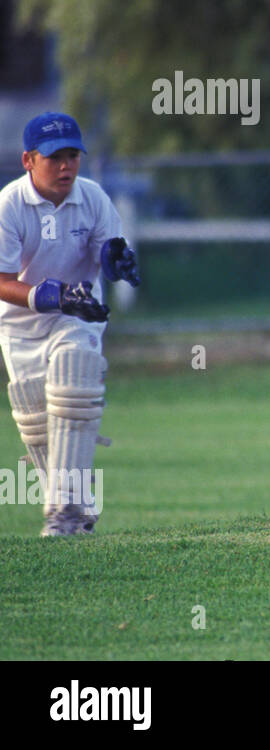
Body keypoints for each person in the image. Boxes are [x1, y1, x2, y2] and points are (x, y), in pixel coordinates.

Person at [0, 112, 140, 536]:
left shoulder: (94, 197)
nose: (66, 166)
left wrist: (115, 262)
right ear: (28, 160)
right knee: (38, 424)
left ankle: (64, 511)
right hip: (21, 323)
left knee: (73, 377)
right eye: (54, 157)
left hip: (78, 315)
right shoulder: (9, 205)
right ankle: (78, 512)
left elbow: (107, 253)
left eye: (73, 156)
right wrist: (47, 295)